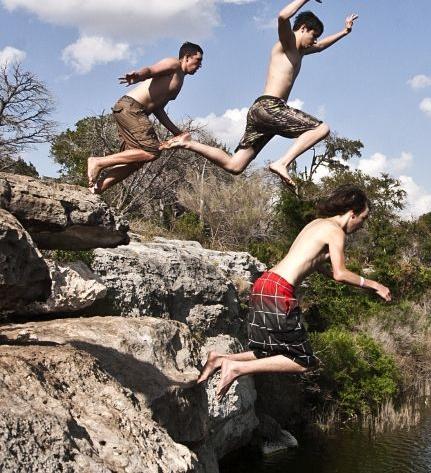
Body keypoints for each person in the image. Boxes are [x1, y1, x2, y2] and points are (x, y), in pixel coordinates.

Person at [197, 185, 392, 397]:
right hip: (280, 290)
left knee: (270, 350)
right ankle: (236, 368)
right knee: (304, 361)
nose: (362, 225)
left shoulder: (316, 224)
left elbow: (313, 263)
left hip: (264, 283)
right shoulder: (335, 231)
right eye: (363, 219)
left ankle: (219, 358)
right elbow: (340, 273)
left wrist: (327, 266)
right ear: (352, 213)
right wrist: (375, 285)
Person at [163, 0, 357, 190]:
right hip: (270, 107)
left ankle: (189, 144)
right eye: (313, 36)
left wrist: (345, 32)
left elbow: (322, 46)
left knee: (235, 166)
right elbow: (282, 17)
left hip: (263, 114)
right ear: (303, 28)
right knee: (321, 129)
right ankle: (282, 163)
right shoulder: (287, 42)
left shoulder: (301, 52)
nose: (314, 41)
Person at [86, 42, 203, 193]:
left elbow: (158, 108)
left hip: (132, 110)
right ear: (186, 57)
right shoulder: (174, 64)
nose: (200, 65)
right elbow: (151, 70)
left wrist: (177, 132)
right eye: (198, 60)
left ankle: (95, 189)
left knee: (135, 161)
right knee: (152, 150)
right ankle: (98, 162)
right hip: (131, 108)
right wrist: (139, 76)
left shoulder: (180, 79)